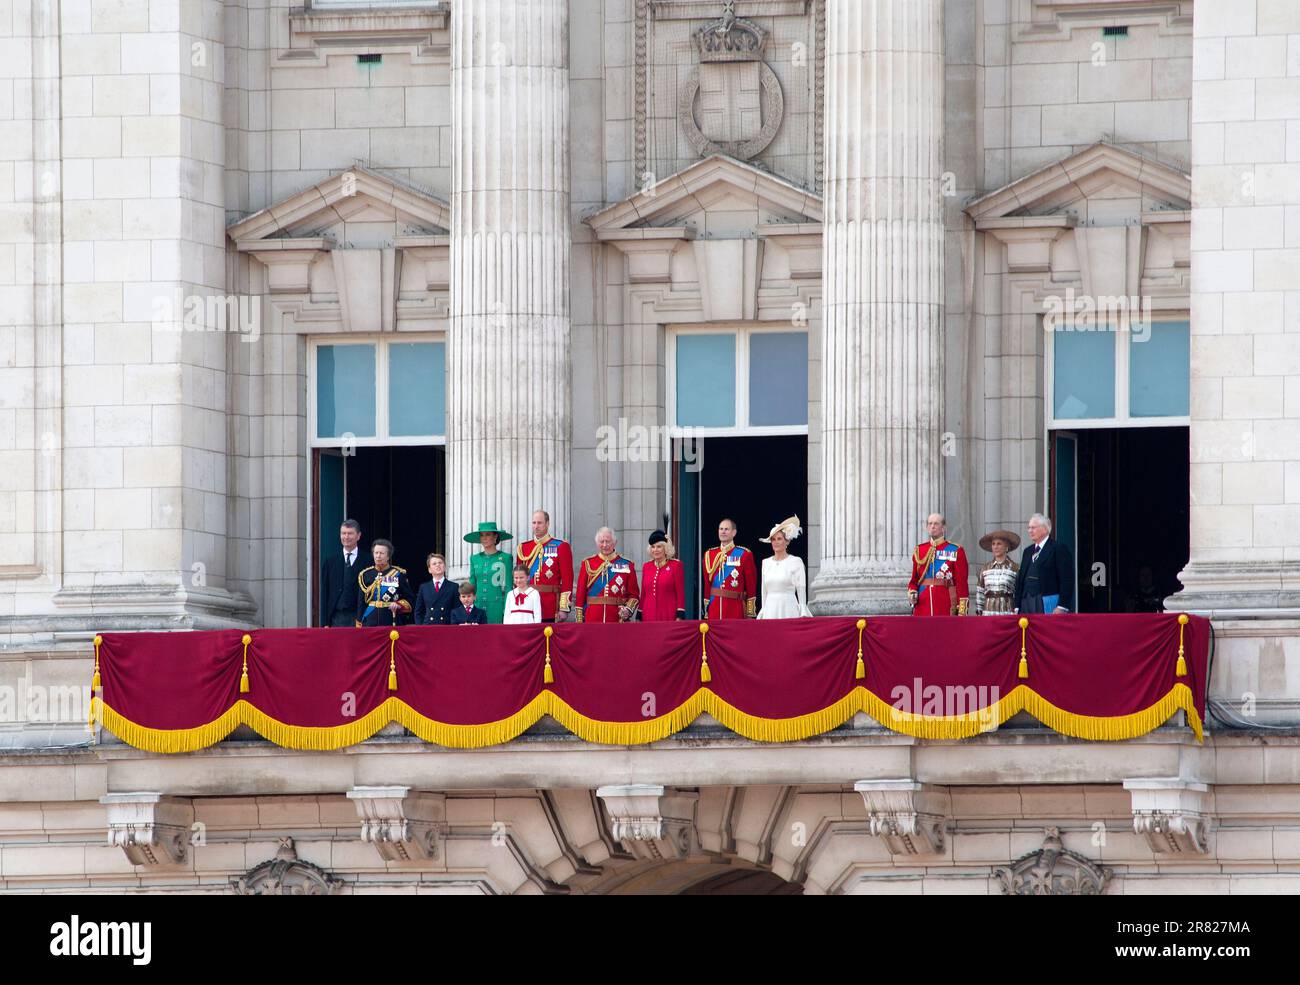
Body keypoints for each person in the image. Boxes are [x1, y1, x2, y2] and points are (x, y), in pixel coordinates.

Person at [515, 509, 574, 623]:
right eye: (534, 523)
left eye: (539, 523)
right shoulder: (523, 548)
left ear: (547, 523)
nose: (536, 526)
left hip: (550, 605)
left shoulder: (561, 546)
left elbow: (567, 580)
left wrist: (564, 608)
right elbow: (518, 579)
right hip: (528, 603)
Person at [907, 514, 969, 616]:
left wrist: (962, 610)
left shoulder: (956, 550)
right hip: (923, 604)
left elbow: (961, 583)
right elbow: (914, 580)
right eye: (930, 524)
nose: (932, 526)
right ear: (927, 527)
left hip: (946, 603)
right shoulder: (920, 550)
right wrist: (912, 592)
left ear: (943, 527)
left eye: (936, 523)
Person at [574, 527, 639, 623]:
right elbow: (580, 594)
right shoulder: (588, 564)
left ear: (614, 542)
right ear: (597, 543)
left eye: (608, 541)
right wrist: (579, 619)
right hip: (592, 617)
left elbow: (634, 594)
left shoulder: (626, 564)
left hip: (617, 619)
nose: (605, 545)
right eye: (601, 542)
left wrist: (627, 610)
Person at [1013, 513, 1074, 614]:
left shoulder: (1058, 549)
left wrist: (1062, 606)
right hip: (1026, 602)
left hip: (1046, 601)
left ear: (1045, 529)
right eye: (1029, 528)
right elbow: (1021, 580)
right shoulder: (1027, 551)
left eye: (1033, 528)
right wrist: (1017, 605)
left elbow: (1067, 579)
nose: (1030, 531)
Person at [756, 516, 812, 619]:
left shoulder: (796, 561)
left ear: (787, 541)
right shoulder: (766, 562)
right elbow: (764, 590)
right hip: (770, 609)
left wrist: (803, 607)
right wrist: (763, 609)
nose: (776, 542)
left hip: (788, 608)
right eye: (773, 539)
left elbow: (801, 587)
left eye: (779, 539)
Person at [702, 518, 757, 620]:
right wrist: (706, 611)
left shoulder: (744, 554)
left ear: (734, 533)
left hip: (735, 610)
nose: (723, 531)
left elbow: (751, 586)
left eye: (726, 529)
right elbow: (707, 586)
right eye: (721, 529)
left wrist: (750, 614)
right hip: (714, 610)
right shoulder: (709, 555)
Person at [356, 539, 415, 627]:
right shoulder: (365, 575)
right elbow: (361, 603)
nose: (378, 556)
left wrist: (399, 605)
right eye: (376, 553)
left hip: (391, 620)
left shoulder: (398, 574)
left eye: (381, 553)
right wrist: (359, 622)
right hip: (369, 621)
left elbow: (410, 599)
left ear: (388, 556)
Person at [464, 521, 513, 624]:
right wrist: (469, 606)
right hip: (478, 605)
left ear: (495, 537)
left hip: (497, 606)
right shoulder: (474, 558)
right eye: (482, 535)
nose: (484, 538)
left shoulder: (506, 558)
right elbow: (472, 585)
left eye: (488, 535)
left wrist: (507, 609)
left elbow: (508, 586)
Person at [320, 519, 365, 627]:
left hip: (361, 617)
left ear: (358, 536)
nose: (346, 537)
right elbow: (325, 593)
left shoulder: (368, 560)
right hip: (337, 618)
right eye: (343, 533)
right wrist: (325, 622)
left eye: (350, 533)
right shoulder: (330, 562)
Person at [639, 530, 685, 621]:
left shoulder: (676, 566)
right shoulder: (646, 566)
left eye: (659, 547)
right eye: (653, 547)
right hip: (648, 615)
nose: (655, 550)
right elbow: (643, 594)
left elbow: (680, 594)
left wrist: (680, 616)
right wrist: (639, 615)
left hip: (668, 614)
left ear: (665, 548)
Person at [975, 529, 1020, 616]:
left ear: (1006, 547)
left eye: (999, 544)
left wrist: (1017, 610)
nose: (995, 547)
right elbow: (980, 592)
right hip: (988, 611)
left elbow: (1018, 592)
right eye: (993, 544)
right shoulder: (985, 568)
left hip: (1007, 611)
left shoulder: (1015, 568)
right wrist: (979, 612)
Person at [413, 553, 459, 625]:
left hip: (446, 627)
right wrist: (420, 628)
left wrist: (453, 627)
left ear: (445, 567)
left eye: (440, 563)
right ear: (429, 570)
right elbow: (418, 611)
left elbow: (457, 610)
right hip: (428, 627)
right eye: (434, 564)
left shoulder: (454, 587)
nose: (438, 565)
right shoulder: (424, 587)